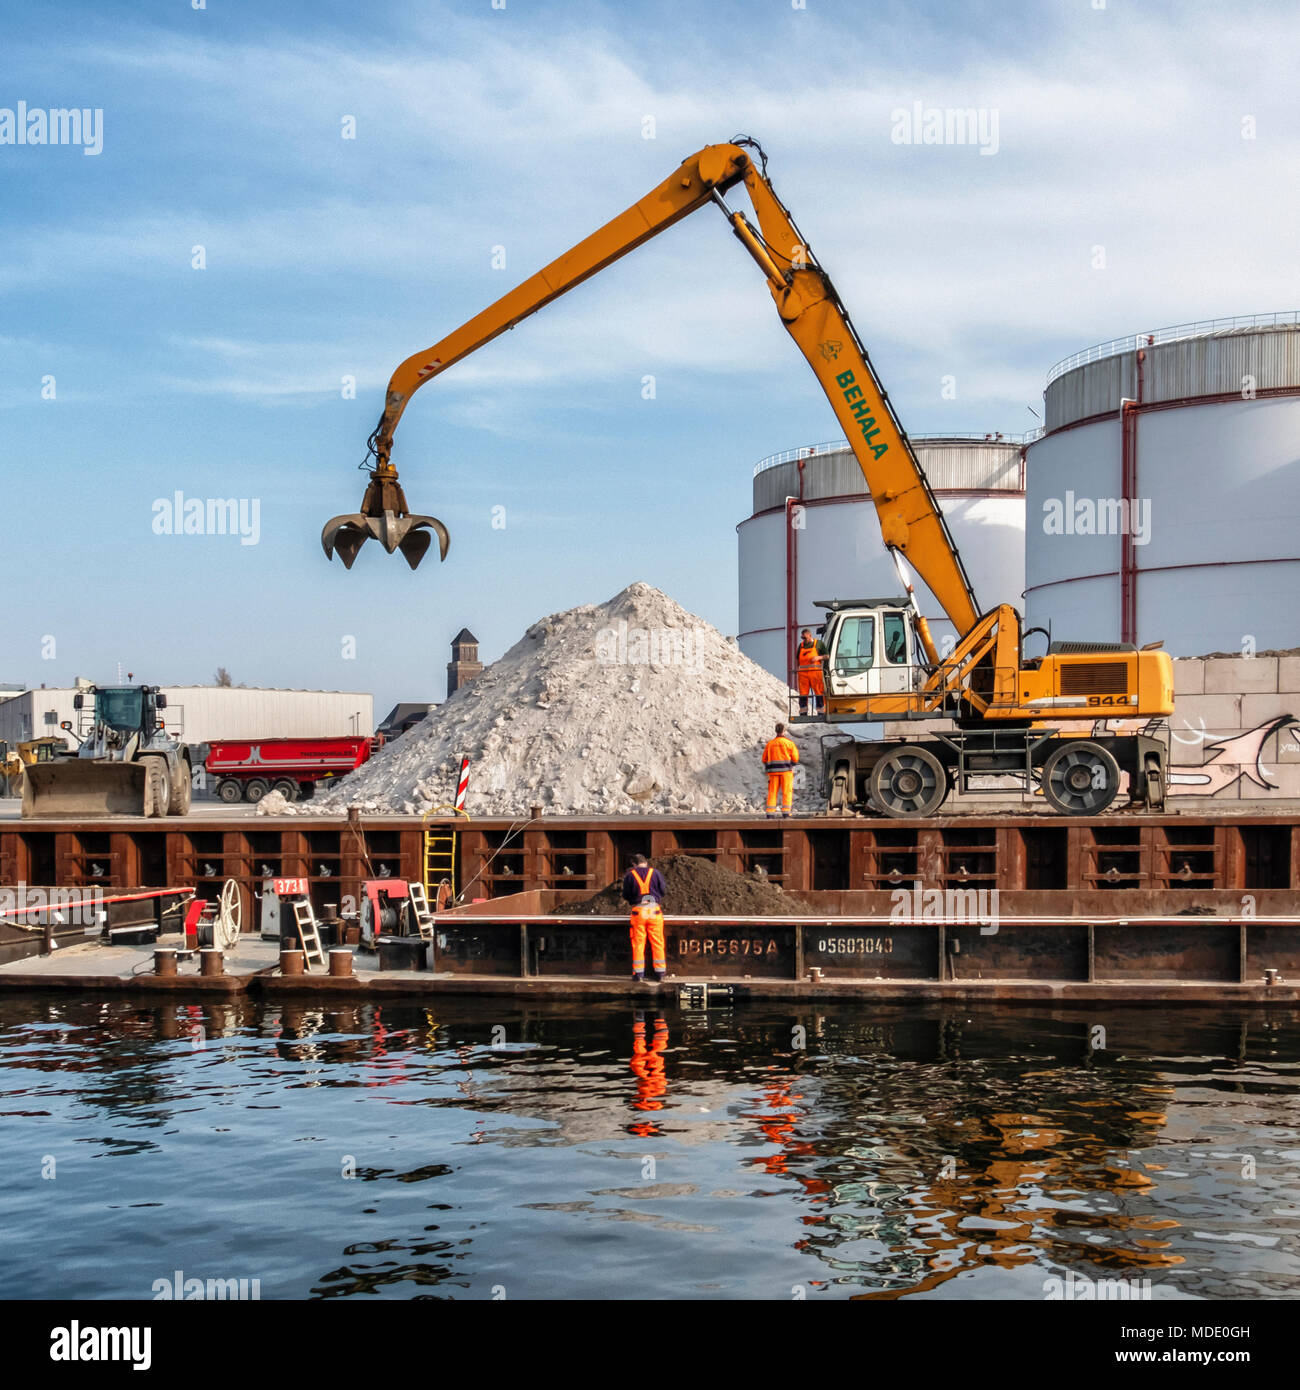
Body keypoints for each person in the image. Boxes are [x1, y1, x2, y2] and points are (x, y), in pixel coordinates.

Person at [622, 853, 667, 982]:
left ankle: (638, 974)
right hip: (654, 911)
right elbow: (663, 891)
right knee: (657, 941)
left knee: (638, 943)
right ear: (646, 863)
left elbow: (625, 894)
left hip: (639, 912)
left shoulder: (630, 875)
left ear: (634, 864)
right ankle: (660, 973)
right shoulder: (656, 873)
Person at [762, 722, 800, 817]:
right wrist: (791, 764)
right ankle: (786, 813)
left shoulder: (770, 744)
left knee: (772, 792)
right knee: (787, 791)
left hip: (773, 773)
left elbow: (764, 759)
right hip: (786, 772)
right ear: (784, 731)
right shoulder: (789, 743)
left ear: (776, 730)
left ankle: (770, 813)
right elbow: (795, 758)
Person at [795, 628, 825, 716]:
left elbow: (827, 656)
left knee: (819, 692)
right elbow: (797, 660)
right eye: (802, 638)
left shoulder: (818, 644)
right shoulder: (801, 646)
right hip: (803, 675)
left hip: (815, 673)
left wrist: (818, 658)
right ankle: (803, 712)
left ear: (810, 635)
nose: (803, 640)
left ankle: (821, 712)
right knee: (803, 693)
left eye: (805, 638)